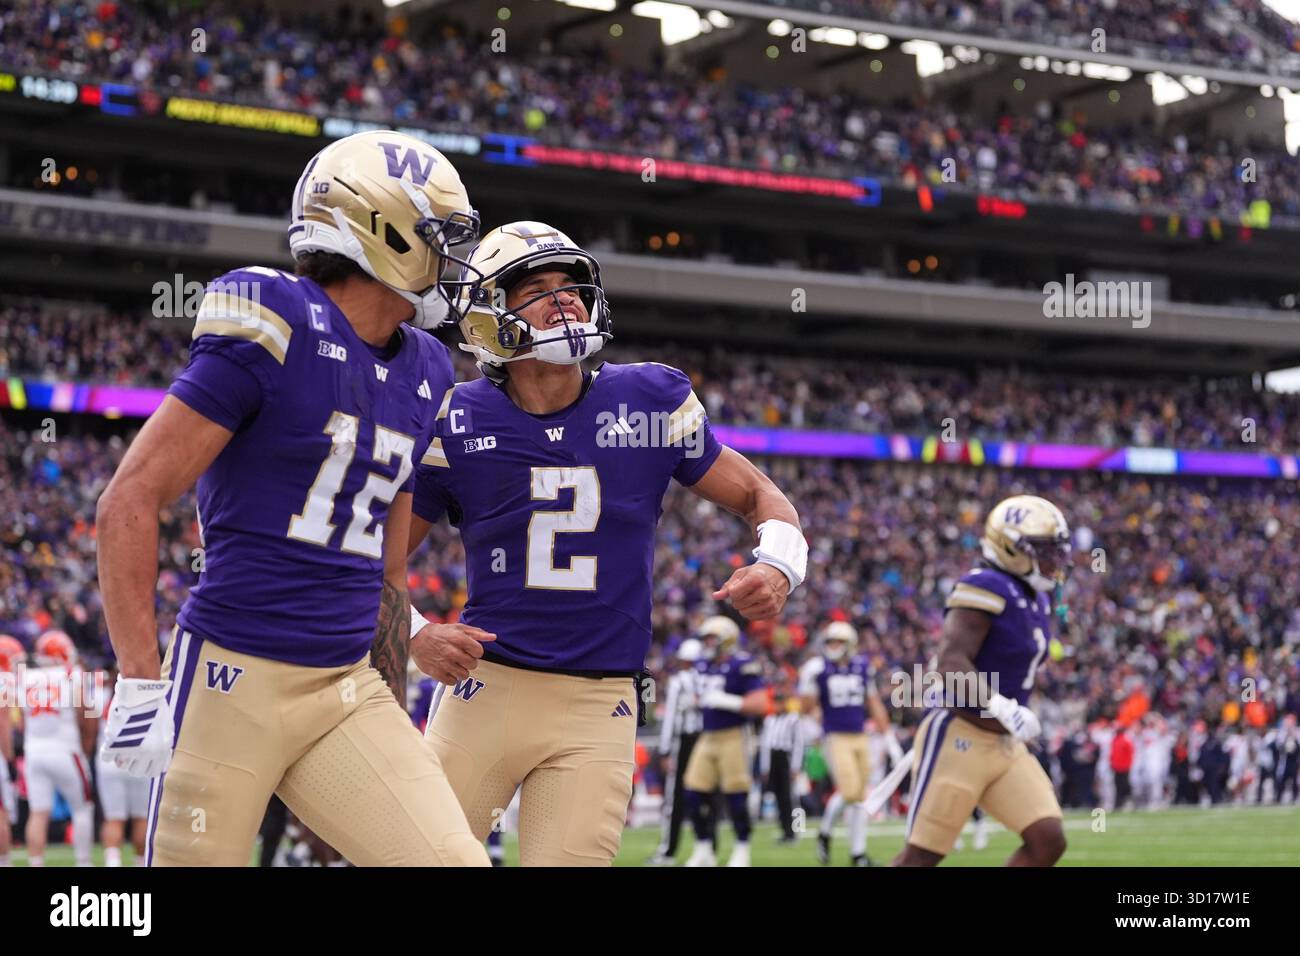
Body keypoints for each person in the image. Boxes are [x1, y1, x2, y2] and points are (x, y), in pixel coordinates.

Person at [96, 130, 489, 866]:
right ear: (381, 229)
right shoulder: (273, 315)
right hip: (229, 681)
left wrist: (390, 702)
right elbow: (131, 496)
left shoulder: (428, 365)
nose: (452, 258)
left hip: (345, 687)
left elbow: (390, 575)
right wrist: (138, 680)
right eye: (439, 235)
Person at [408, 221, 805, 866]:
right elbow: (378, 559)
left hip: (600, 704)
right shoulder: (455, 419)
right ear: (487, 317)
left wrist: (780, 564)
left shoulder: (648, 398)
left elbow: (760, 493)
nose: (562, 299)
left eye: (570, 284)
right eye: (534, 288)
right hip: (487, 690)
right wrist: (416, 629)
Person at [893, 495, 1070, 867]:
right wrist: (1005, 707)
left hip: (1003, 744)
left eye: (1055, 549)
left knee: (1047, 840)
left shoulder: (1034, 596)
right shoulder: (986, 585)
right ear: (1010, 546)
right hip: (961, 736)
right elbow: (951, 663)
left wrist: (1014, 712)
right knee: (920, 859)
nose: (1053, 559)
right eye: (1042, 549)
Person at [798, 620, 897, 866]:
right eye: (830, 641)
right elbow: (805, 707)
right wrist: (815, 721)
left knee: (861, 797)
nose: (833, 646)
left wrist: (888, 737)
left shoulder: (862, 666)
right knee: (851, 791)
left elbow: (873, 702)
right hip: (835, 736)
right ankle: (825, 832)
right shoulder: (817, 668)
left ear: (850, 644)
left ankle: (858, 853)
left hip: (860, 735)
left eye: (838, 642)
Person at [682, 617, 771, 868]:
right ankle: (704, 850)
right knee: (693, 793)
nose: (708, 643)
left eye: (712, 638)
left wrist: (726, 701)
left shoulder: (742, 664)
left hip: (734, 735)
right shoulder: (703, 665)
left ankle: (742, 849)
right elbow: (700, 695)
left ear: (728, 639)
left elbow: (760, 704)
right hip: (707, 736)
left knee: (736, 798)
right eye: (706, 638)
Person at [19, 631, 97, 868]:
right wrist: (86, 748)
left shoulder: (24, 678)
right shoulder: (72, 675)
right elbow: (87, 716)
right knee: (82, 807)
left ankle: (35, 862)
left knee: (38, 812)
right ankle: (83, 862)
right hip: (65, 749)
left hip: (34, 751)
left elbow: (21, 720)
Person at [649, 636, 706, 865]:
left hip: (683, 743)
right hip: (704, 740)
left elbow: (670, 717)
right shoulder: (706, 678)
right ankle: (708, 849)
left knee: (675, 800)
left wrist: (664, 751)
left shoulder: (678, 682)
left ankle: (668, 851)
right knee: (704, 797)